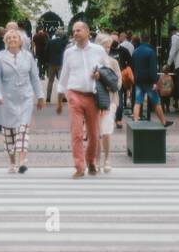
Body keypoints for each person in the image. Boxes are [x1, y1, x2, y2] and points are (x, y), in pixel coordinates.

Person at [56, 20, 108, 178]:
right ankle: (79, 166)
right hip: (74, 95)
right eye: (74, 31)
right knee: (77, 133)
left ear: (87, 32)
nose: (75, 33)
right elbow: (64, 75)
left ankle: (90, 160)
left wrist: (100, 75)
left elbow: (106, 71)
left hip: (92, 96)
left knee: (94, 134)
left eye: (78, 30)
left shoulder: (98, 50)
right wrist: (59, 100)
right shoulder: (69, 52)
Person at [0, 27, 44, 173]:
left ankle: (22, 160)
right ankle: (12, 162)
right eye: (10, 38)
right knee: (9, 131)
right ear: (6, 41)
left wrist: (40, 96)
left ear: (20, 41)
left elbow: (34, 76)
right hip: (6, 98)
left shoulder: (28, 56)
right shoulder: (0, 57)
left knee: (23, 128)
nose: (12, 39)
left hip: (25, 97)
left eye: (15, 37)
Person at [131, 35, 173, 128]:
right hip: (149, 81)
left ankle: (135, 122)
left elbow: (132, 67)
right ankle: (163, 121)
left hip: (138, 80)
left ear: (141, 40)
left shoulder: (135, 52)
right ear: (149, 40)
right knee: (156, 102)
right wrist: (155, 81)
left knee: (138, 102)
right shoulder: (151, 52)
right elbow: (152, 68)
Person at [97, 35, 122, 173]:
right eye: (104, 46)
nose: (106, 49)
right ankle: (96, 160)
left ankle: (107, 158)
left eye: (108, 46)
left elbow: (119, 81)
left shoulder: (113, 62)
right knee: (95, 132)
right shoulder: (92, 62)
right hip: (95, 101)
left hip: (110, 100)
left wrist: (109, 85)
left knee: (106, 130)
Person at [45, 27, 67, 103]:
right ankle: (63, 97)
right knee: (61, 81)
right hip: (60, 63)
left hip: (51, 63)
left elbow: (46, 52)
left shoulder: (50, 42)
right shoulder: (63, 42)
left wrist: (47, 61)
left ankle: (48, 97)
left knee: (50, 81)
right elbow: (66, 39)